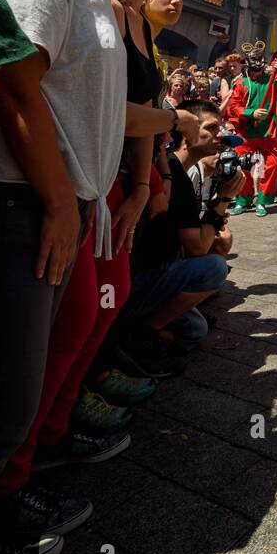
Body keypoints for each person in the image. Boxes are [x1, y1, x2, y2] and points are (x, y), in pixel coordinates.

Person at [0, 0, 140, 554]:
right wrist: (55, 203)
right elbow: (14, 85)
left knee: (35, 374)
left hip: (62, 205)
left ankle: (2, 507)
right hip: (19, 197)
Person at [113, 102, 244, 371]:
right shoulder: (174, 175)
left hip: (150, 275)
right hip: (133, 283)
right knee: (213, 268)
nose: (219, 136)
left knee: (196, 329)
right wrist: (224, 200)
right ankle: (141, 334)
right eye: (210, 128)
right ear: (185, 130)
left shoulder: (181, 172)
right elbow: (198, 247)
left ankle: (149, 327)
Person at [225, 50, 277, 216]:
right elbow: (233, 107)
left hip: (268, 131)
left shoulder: (271, 80)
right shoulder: (241, 83)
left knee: (272, 164)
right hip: (246, 131)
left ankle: (262, 201)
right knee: (243, 165)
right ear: (248, 66)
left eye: (260, 69)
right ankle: (243, 200)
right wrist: (251, 113)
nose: (258, 72)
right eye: (254, 69)